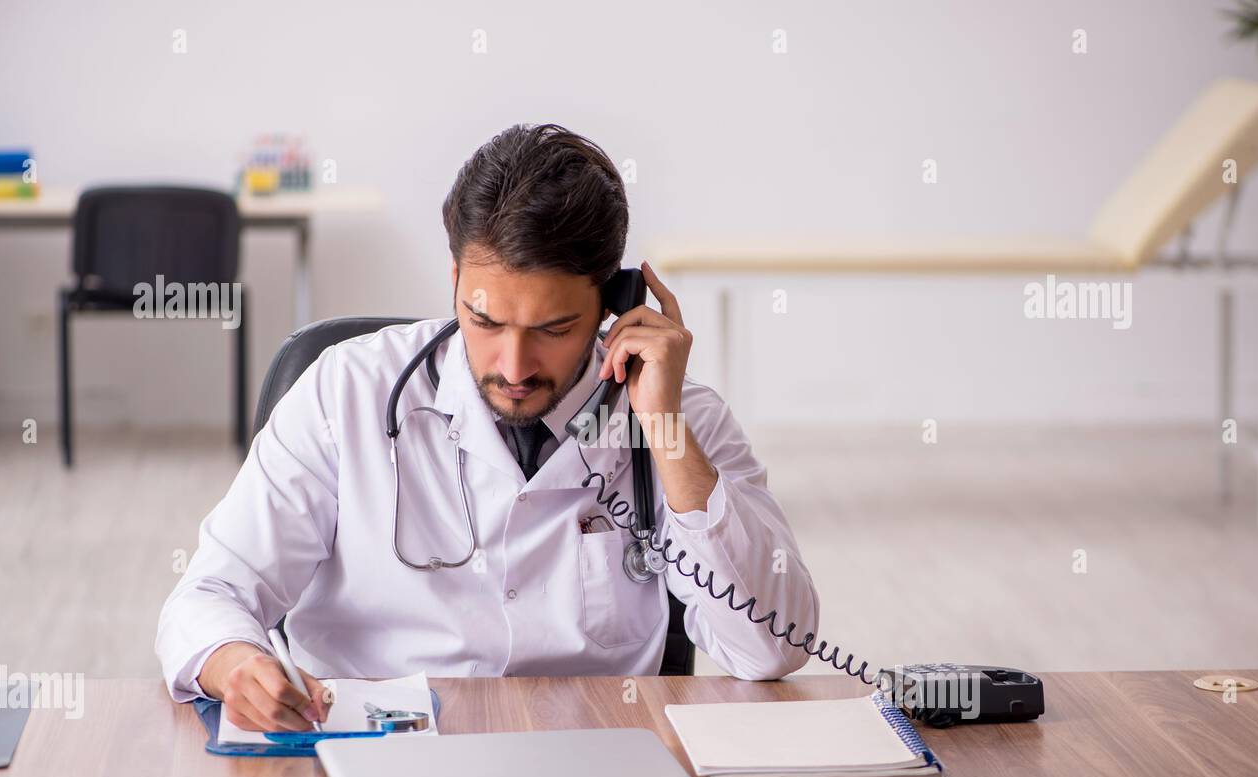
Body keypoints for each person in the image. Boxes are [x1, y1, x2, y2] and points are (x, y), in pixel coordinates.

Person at [155, 123, 819, 732]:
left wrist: (666, 431)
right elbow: (209, 593)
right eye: (486, 321)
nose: (514, 366)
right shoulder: (345, 392)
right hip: (375, 754)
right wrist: (235, 661)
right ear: (454, 281)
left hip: (593, 766)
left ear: (615, 304)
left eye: (554, 329)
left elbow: (771, 647)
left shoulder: (680, 420)